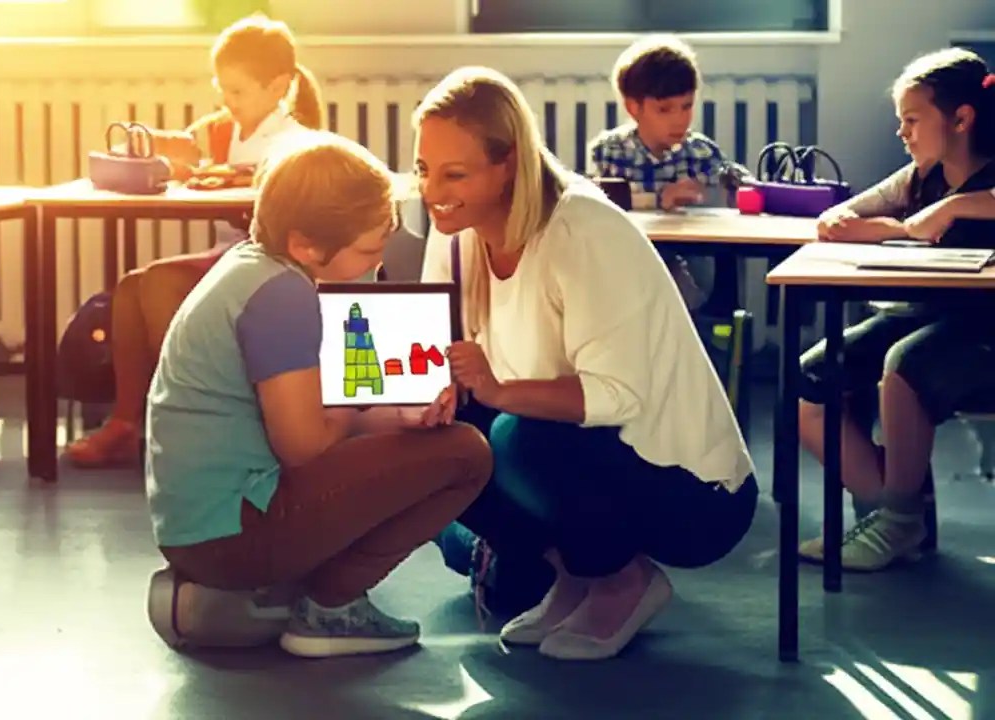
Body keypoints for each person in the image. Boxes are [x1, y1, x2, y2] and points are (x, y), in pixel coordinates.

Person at [415, 66, 757, 660]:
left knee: (517, 436)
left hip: (694, 494)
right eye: (423, 169)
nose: (431, 189)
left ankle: (624, 580)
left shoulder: (581, 227)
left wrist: (495, 391)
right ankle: (574, 576)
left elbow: (614, 396)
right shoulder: (455, 233)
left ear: (507, 164)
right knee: (436, 447)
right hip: (580, 454)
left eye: (454, 173)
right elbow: (439, 352)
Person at [145, 130, 492, 658]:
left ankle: (311, 596)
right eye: (368, 250)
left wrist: (394, 418)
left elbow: (313, 416)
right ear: (306, 245)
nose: (378, 263)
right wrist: (366, 415)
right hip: (230, 536)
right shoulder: (283, 296)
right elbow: (304, 445)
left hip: (200, 527)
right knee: (466, 453)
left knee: (423, 444)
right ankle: (332, 608)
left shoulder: (250, 268)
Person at [66, 13, 322, 467]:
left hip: (266, 263)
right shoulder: (224, 129)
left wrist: (227, 174)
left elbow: (269, 191)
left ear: (278, 87)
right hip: (228, 256)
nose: (227, 101)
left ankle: (199, 424)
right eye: (223, 89)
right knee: (130, 288)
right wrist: (159, 150)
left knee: (160, 284)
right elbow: (185, 146)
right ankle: (126, 421)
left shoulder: (295, 140)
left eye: (238, 92)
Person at [798, 48, 995, 571]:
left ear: (961, 119)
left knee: (904, 367)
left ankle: (898, 519)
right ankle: (891, 515)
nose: (901, 133)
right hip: (926, 315)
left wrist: (956, 206)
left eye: (912, 120)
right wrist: (902, 227)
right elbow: (837, 218)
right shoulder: (919, 175)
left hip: (984, 329)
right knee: (813, 378)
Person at [588, 34, 728, 312]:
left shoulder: (702, 153)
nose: (679, 119)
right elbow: (601, 206)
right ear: (633, 107)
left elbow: (739, 194)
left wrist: (713, 193)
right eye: (664, 110)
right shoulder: (609, 151)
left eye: (687, 106)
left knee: (669, 273)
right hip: (627, 260)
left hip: (688, 269)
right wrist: (657, 199)